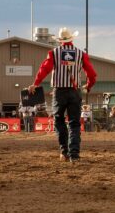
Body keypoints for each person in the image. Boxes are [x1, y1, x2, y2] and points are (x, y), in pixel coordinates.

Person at [28, 27, 97, 163]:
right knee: (74, 123)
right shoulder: (80, 54)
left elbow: (45, 68)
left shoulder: (54, 53)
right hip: (75, 91)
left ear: (60, 41)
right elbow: (92, 74)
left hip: (59, 91)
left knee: (59, 121)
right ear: (71, 39)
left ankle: (64, 152)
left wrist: (35, 83)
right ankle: (74, 154)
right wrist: (88, 86)